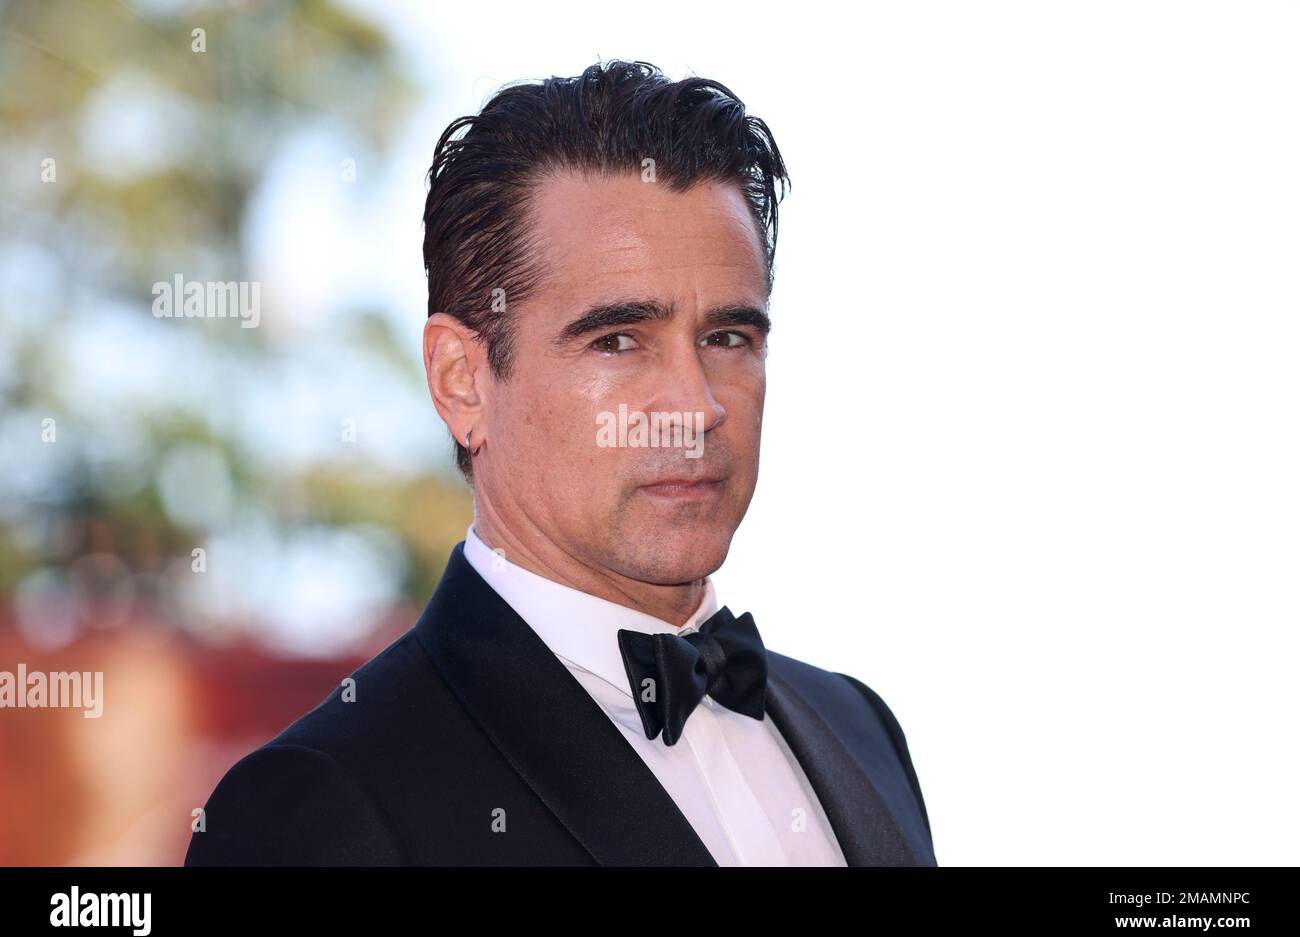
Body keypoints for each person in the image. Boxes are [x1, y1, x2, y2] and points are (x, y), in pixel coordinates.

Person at [185, 59, 935, 866]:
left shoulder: (860, 729)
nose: (697, 407)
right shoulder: (321, 806)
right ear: (461, 381)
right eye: (617, 340)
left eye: (727, 338)